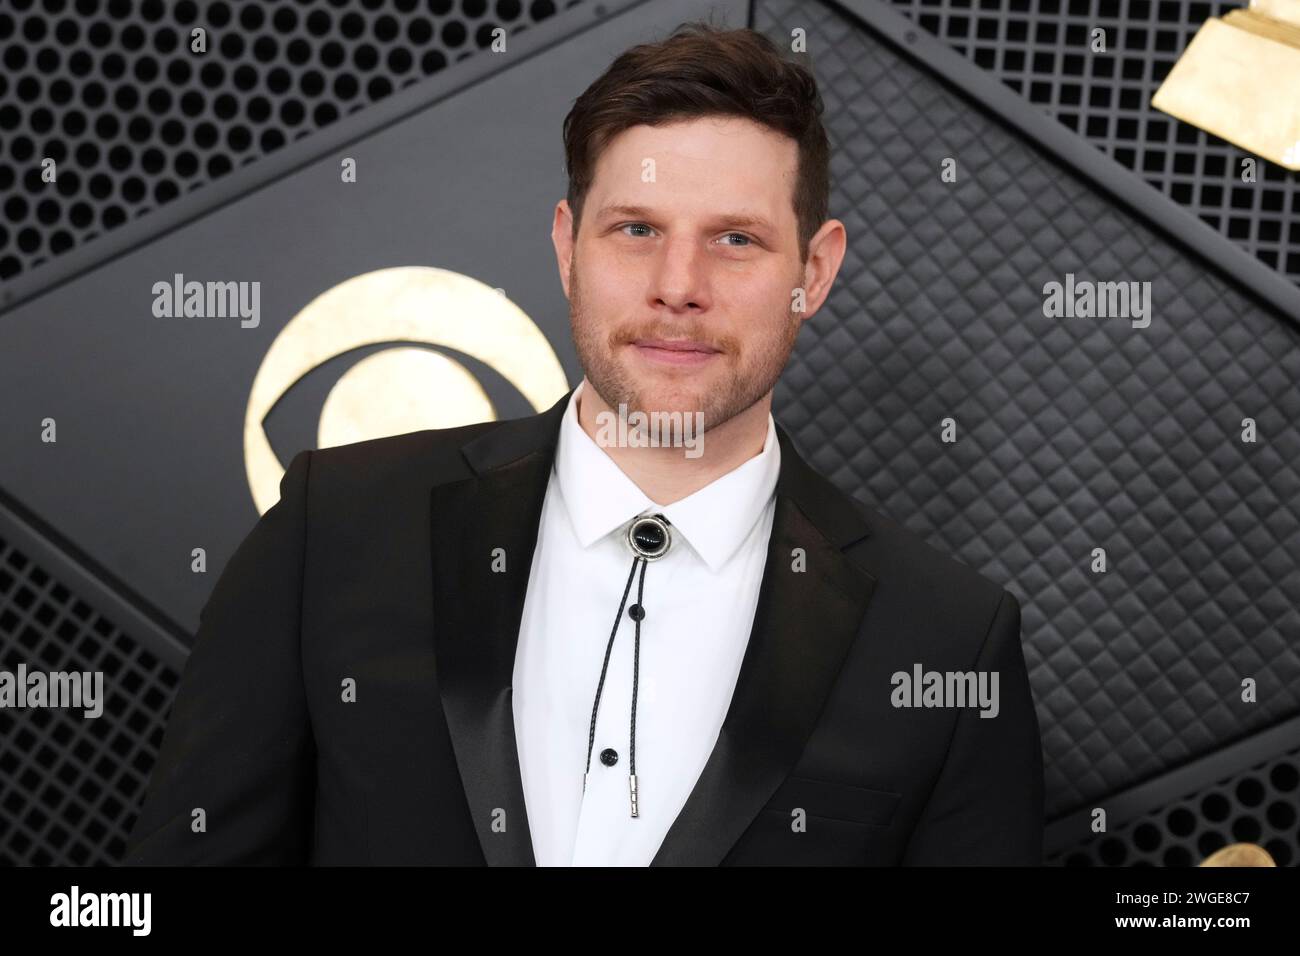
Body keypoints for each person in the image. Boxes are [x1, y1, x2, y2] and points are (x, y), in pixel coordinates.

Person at [124, 20, 1043, 866]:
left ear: (815, 270)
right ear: (569, 247)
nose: (678, 285)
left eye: (735, 239)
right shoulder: (338, 529)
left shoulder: (946, 639)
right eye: (636, 229)